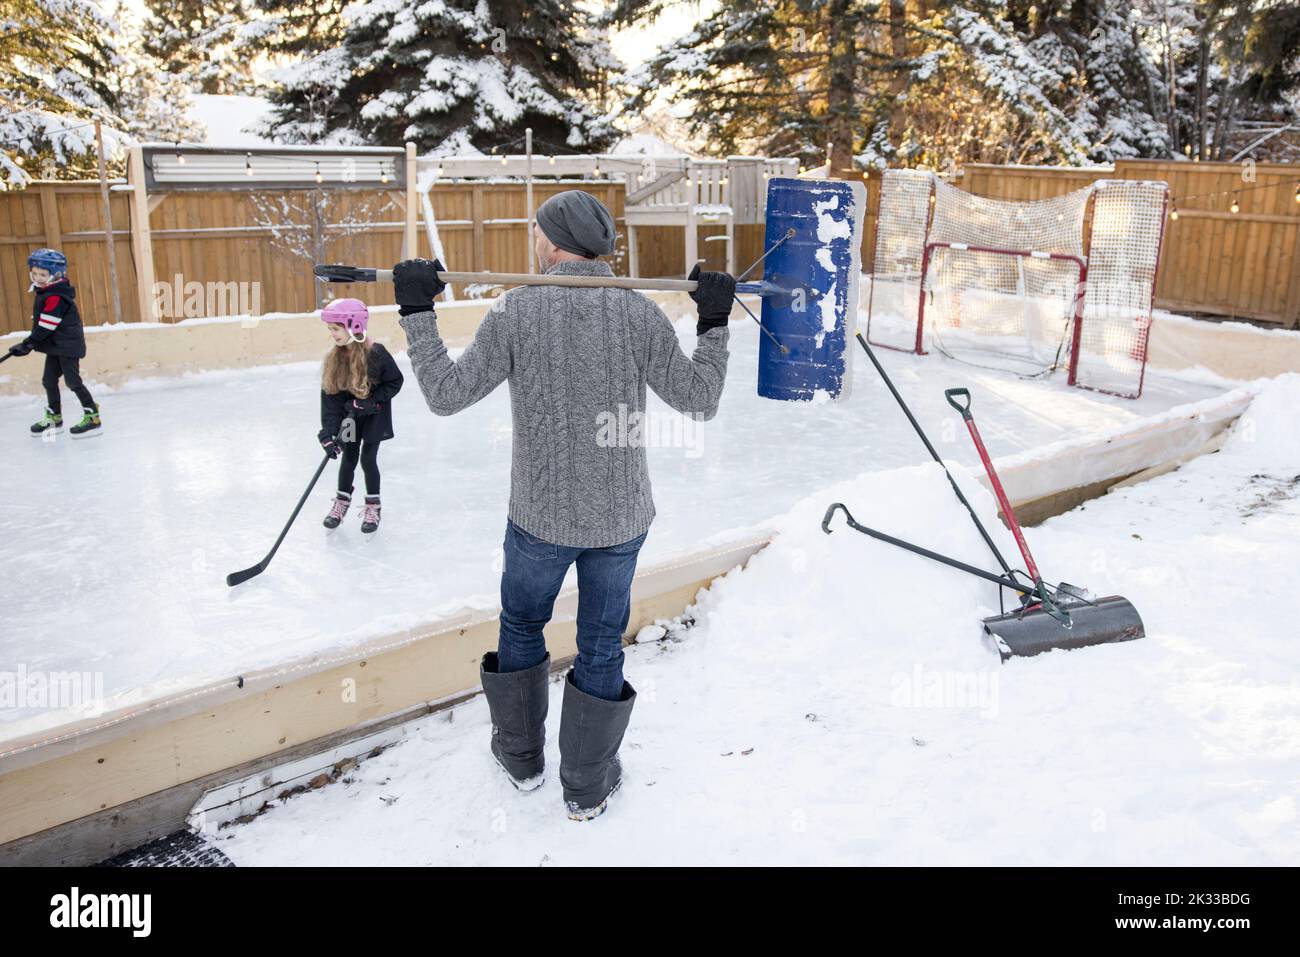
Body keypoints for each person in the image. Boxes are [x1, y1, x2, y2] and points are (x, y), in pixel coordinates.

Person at [395, 189, 736, 820]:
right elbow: (700, 399)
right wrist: (714, 322)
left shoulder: (518, 310)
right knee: (601, 642)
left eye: (535, 232)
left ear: (553, 242)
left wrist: (416, 311)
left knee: (523, 624)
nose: (532, 239)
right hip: (619, 518)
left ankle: (520, 759)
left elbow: (445, 395)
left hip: (539, 519)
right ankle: (586, 785)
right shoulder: (635, 313)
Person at [317, 298, 404, 534]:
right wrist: (329, 433)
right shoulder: (335, 359)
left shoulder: (376, 353)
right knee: (348, 457)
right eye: (331, 329)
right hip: (350, 418)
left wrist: (370, 401)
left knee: (367, 459)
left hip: (374, 415)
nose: (333, 334)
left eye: (336, 328)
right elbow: (331, 400)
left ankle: (373, 506)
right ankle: (341, 503)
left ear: (354, 325)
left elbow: (395, 382)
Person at [7, 248, 100, 438]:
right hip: (57, 345)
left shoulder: (56, 296)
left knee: (73, 381)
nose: (38, 277)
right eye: (34, 273)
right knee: (48, 380)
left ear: (56, 274)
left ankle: (93, 417)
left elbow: (46, 326)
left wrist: (28, 344)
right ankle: (55, 417)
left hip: (68, 346)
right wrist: (28, 344)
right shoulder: (47, 291)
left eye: (43, 274)